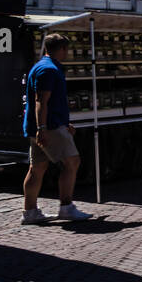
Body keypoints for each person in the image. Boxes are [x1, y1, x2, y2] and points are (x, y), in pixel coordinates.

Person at [21, 33, 93, 224]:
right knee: (72, 162)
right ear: (62, 49)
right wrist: (43, 127)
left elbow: (46, 102)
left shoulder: (39, 67)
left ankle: (30, 212)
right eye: (66, 49)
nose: (67, 53)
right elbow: (41, 102)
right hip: (49, 126)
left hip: (42, 125)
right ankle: (66, 208)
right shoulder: (50, 70)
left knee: (36, 168)